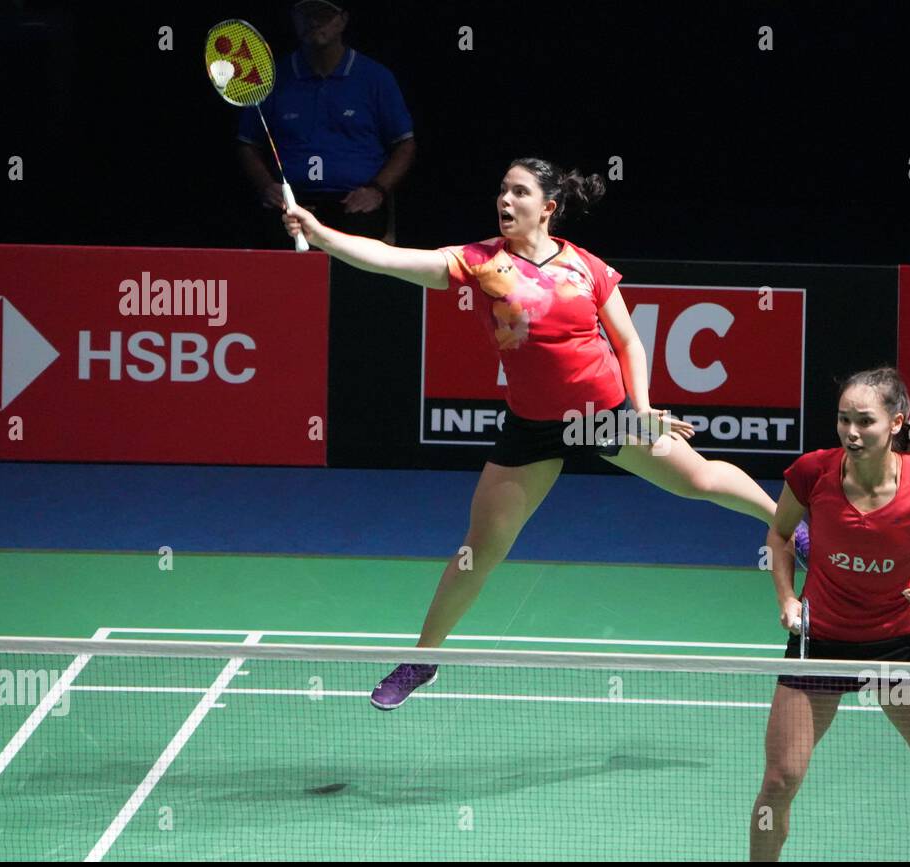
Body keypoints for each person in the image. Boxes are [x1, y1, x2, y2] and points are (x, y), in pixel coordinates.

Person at [283, 157, 802, 709]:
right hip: (532, 428)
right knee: (478, 552)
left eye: (519, 192)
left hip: (602, 415)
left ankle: (789, 524)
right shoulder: (481, 262)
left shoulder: (586, 266)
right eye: (502, 190)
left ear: (547, 207)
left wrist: (644, 407)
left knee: (697, 478)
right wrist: (322, 236)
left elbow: (628, 341)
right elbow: (392, 259)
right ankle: (424, 658)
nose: (505, 201)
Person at [751, 367, 910, 862]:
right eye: (844, 420)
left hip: (893, 646)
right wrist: (785, 597)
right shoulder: (813, 472)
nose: (852, 432)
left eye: (865, 421)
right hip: (818, 644)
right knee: (779, 781)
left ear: (897, 422)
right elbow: (778, 536)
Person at [238, 0, 416, 244]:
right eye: (306, 14)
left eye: (324, 14)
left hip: (353, 204)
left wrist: (377, 190)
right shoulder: (271, 79)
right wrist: (266, 186)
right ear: (293, 19)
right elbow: (248, 144)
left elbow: (404, 145)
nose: (313, 22)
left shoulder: (376, 78)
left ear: (343, 20)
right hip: (290, 203)